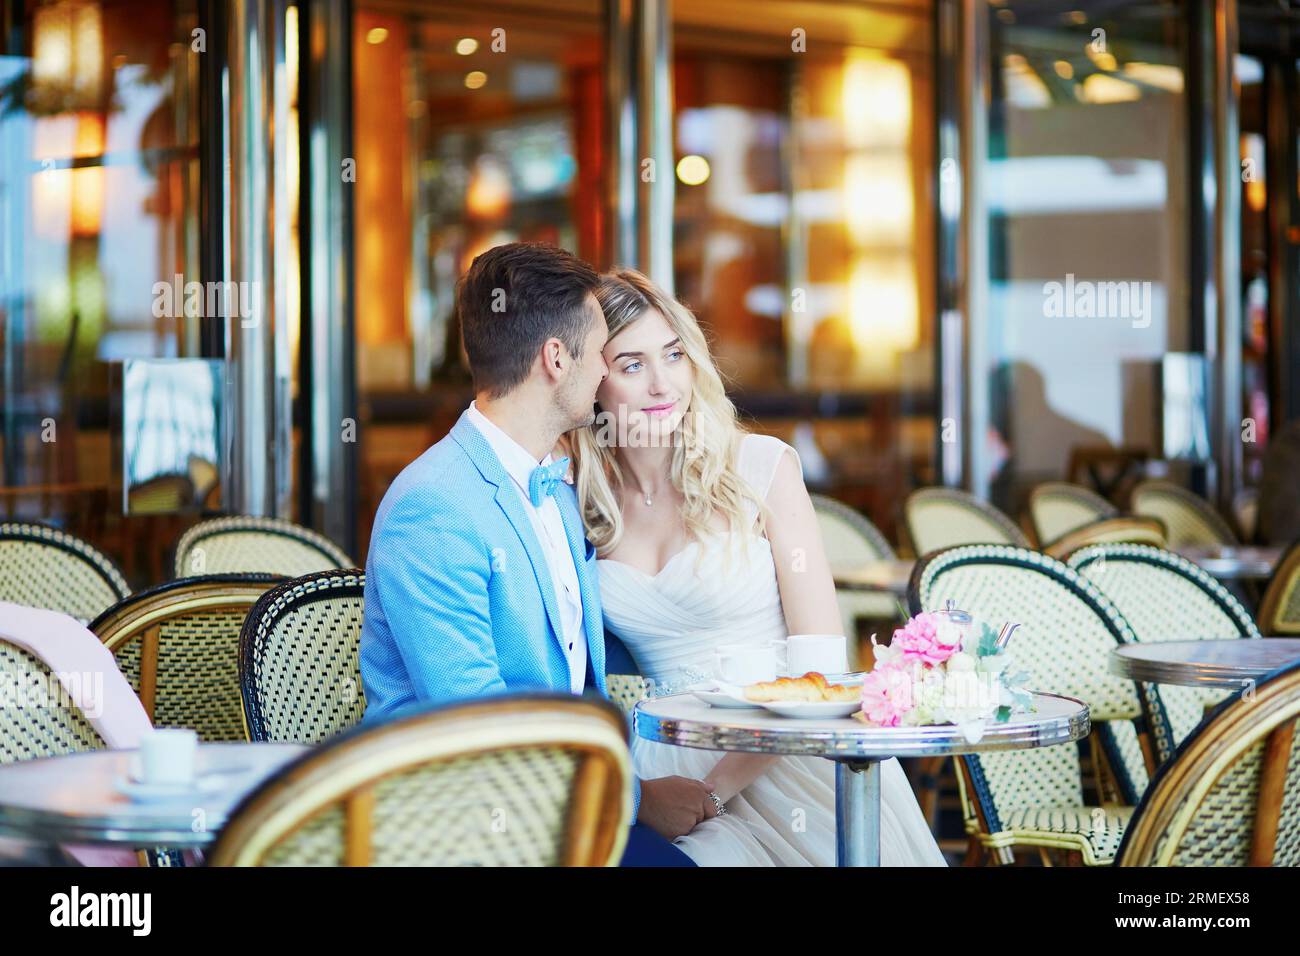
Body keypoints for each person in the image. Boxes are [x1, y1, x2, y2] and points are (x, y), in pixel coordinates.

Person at [566, 268, 947, 866]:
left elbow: (822, 668)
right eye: (633, 364)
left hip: (790, 755)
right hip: (662, 764)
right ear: (594, 380)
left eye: (674, 355)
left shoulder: (762, 468)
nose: (664, 383)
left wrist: (716, 791)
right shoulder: (583, 502)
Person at [359, 243, 702, 865]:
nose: (606, 369)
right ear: (555, 358)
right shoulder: (434, 505)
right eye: (601, 350)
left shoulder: (555, 483)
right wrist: (634, 800)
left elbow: (579, 659)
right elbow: (481, 723)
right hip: (468, 824)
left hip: (563, 810)